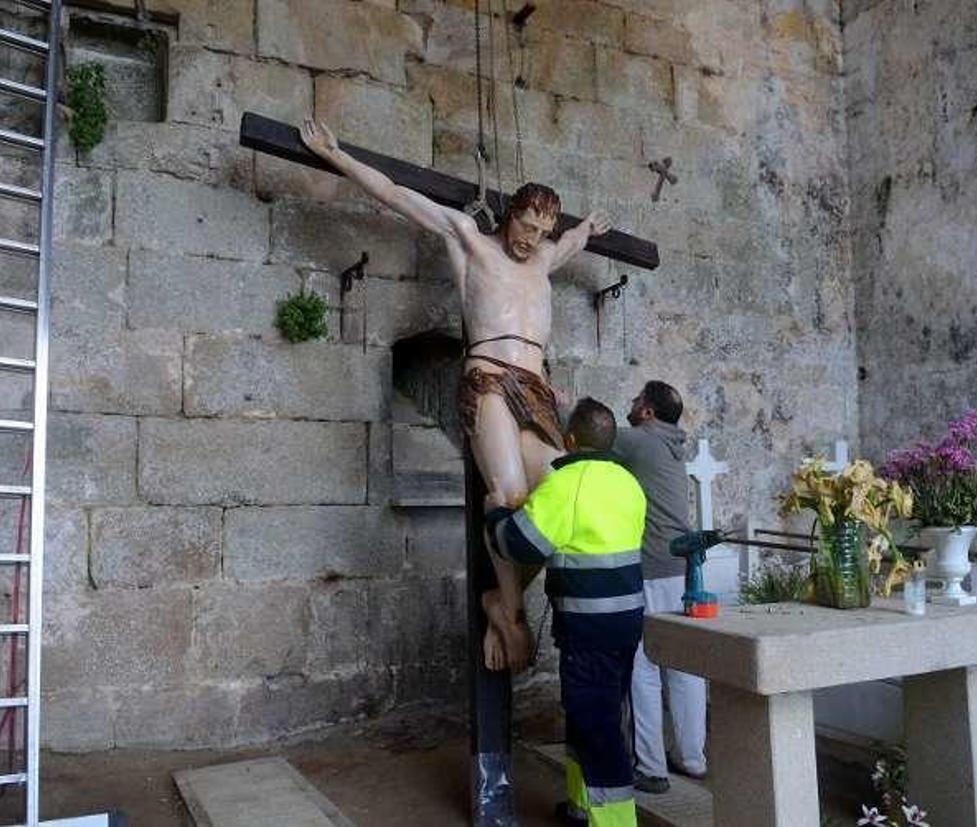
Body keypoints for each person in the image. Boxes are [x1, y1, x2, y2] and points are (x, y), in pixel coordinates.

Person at [301, 118, 612, 672]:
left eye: (541, 231)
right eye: (524, 224)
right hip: (488, 379)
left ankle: (506, 597)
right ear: (509, 212)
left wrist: (586, 228)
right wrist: (338, 157)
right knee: (510, 496)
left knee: (556, 491)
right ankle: (509, 609)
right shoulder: (470, 241)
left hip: (535, 389)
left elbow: (574, 240)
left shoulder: (543, 258)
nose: (530, 239)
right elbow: (397, 196)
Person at [485, 398, 645, 827]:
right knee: (591, 717)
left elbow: (517, 543)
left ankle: (615, 823)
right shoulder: (629, 483)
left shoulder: (567, 484)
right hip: (626, 623)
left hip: (588, 627)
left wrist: (496, 513)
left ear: (569, 441)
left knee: (598, 727)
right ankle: (580, 807)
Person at [613, 381, 707, 793]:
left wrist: (554, 401)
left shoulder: (641, 441)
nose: (631, 406)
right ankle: (692, 758)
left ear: (648, 411)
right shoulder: (671, 444)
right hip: (682, 566)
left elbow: (592, 432)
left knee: (643, 668)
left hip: (650, 567)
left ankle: (651, 767)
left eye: (636, 401)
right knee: (684, 666)